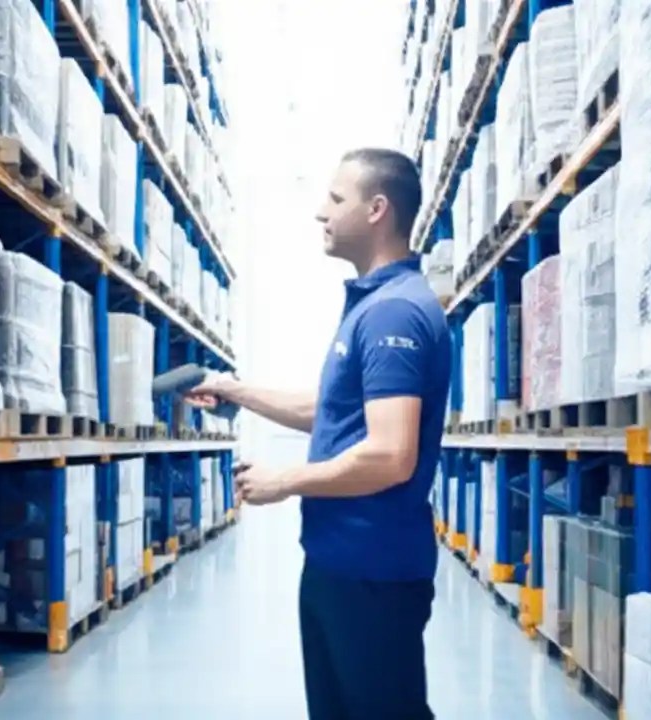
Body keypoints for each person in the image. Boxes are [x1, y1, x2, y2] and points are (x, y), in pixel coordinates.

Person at [184, 148, 451, 720]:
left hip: (372, 571)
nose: (319, 212)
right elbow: (332, 413)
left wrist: (285, 481)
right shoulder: (373, 305)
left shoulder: (394, 314)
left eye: (334, 199)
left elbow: (390, 455)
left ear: (377, 208)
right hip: (342, 563)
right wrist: (234, 390)